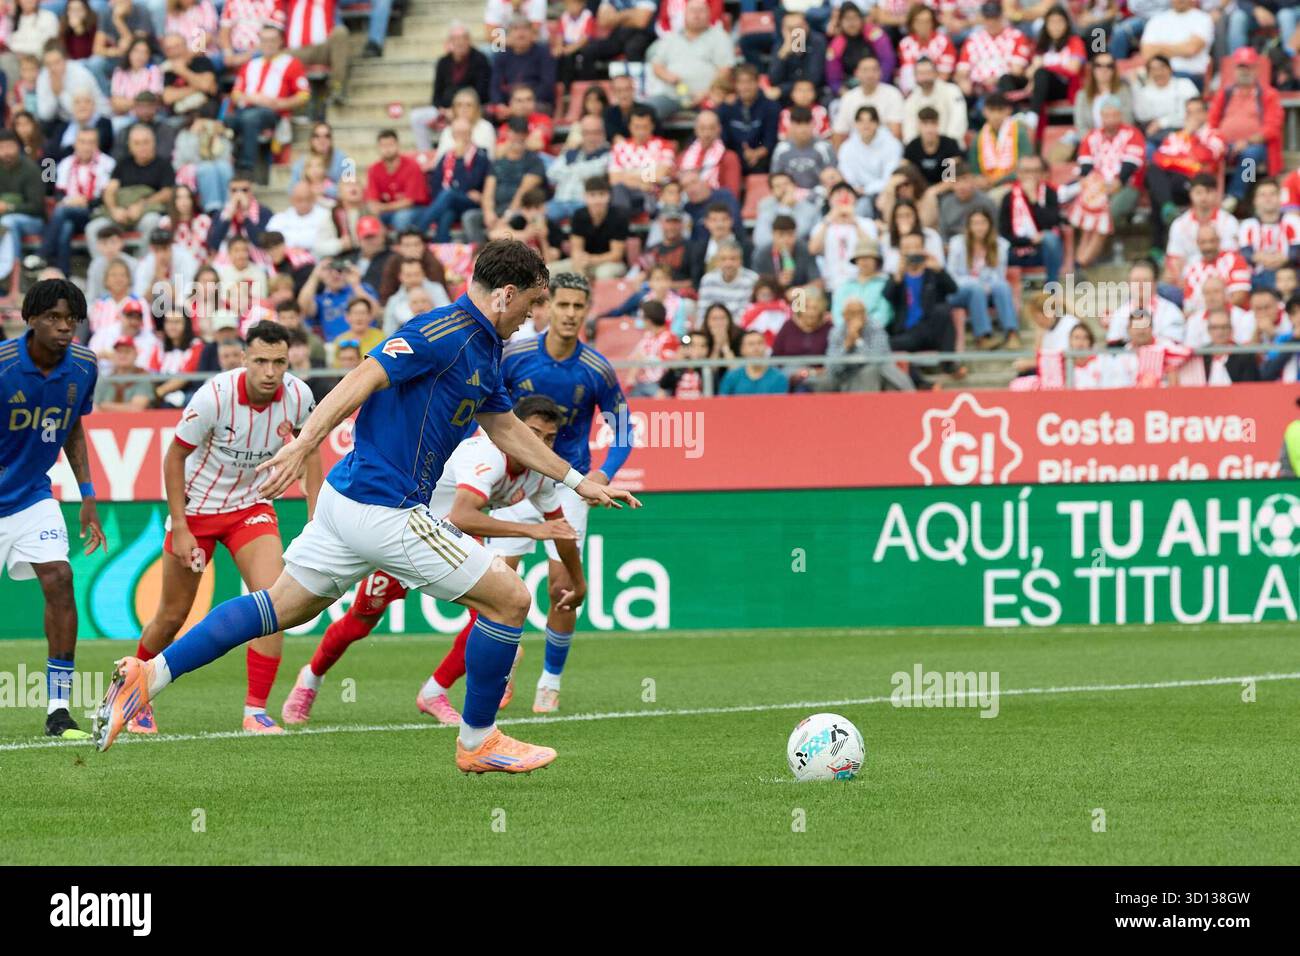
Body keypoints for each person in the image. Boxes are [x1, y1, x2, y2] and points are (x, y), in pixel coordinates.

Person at [93, 242, 640, 770]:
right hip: (386, 507)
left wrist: (575, 479)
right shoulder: (439, 330)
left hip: (348, 502)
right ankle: (478, 741)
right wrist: (305, 441)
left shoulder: (486, 348)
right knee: (510, 600)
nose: (532, 317)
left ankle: (149, 676)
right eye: (531, 303)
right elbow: (364, 375)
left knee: (280, 605)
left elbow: (503, 426)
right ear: (505, 294)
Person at [281, 395, 585, 725]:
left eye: (549, 438)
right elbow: (464, 515)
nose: (541, 443)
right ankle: (310, 678)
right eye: (534, 433)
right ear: (519, 431)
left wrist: (578, 583)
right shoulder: (486, 455)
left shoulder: (538, 475)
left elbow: (562, 530)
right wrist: (534, 529)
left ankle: (434, 692)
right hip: (400, 531)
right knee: (360, 622)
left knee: (491, 611)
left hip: (448, 539)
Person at [124, 322, 321, 735]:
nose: (270, 371)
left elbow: (311, 449)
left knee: (274, 604)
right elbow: (174, 458)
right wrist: (179, 527)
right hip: (196, 514)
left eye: (279, 362)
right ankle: (134, 694)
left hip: (251, 508)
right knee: (172, 615)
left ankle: (256, 711)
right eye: (261, 361)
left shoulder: (300, 396)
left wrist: (315, 515)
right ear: (244, 359)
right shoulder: (214, 396)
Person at [0, 279, 105, 738]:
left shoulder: (84, 366)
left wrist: (87, 494)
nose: (64, 328)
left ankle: (58, 711)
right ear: (30, 319)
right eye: (53, 319)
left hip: (32, 498)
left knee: (60, 579)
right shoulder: (2, 366)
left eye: (71, 320)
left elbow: (73, 428)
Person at [228, 19, 310, 175]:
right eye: (264, 40)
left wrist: (280, 103)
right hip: (247, 108)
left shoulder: (291, 63)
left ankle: (247, 169)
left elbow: (304, 94)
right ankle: (229, 166)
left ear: (280, 41)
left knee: (250, 119)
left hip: (273, 113)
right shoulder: (250, 64)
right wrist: (252, 98)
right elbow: (236, 93)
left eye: (273, 40)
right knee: (227, 122)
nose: (268, 44)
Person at [947, 207, 1017, 348]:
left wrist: (987, 286)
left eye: (983, 223)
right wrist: (976, 283)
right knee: (976, 288)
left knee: (1002, 286)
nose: (979, 227)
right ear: (969, 226)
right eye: (975, 223)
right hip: (960, 291)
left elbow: (999, 274)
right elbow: (951, 275)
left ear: (990, 224)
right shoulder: (957, 243)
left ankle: (1011, 333)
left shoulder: (1000, 245)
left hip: (988, 290)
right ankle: (983, 336)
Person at [999, 154, 1063, 284]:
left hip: (1043, 250)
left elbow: (1052, 222)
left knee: (1051, 238)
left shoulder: (1050, 193)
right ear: (1018, 173)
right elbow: (1004, 233)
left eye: (1035, 171)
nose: (1031, 175)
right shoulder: (1008, 197)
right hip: (1016, 249)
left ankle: (1051, 287)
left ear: (1042, 173)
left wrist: (1033, 199)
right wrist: (1028, 240)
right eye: (1026, 171)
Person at [718, 328, 787, 395]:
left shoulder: (779, 377)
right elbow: (722, 403)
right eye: (751, 344)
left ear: (766, 347)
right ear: (742, 350)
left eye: (760, 343)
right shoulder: (732, 377)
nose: (756, 348)